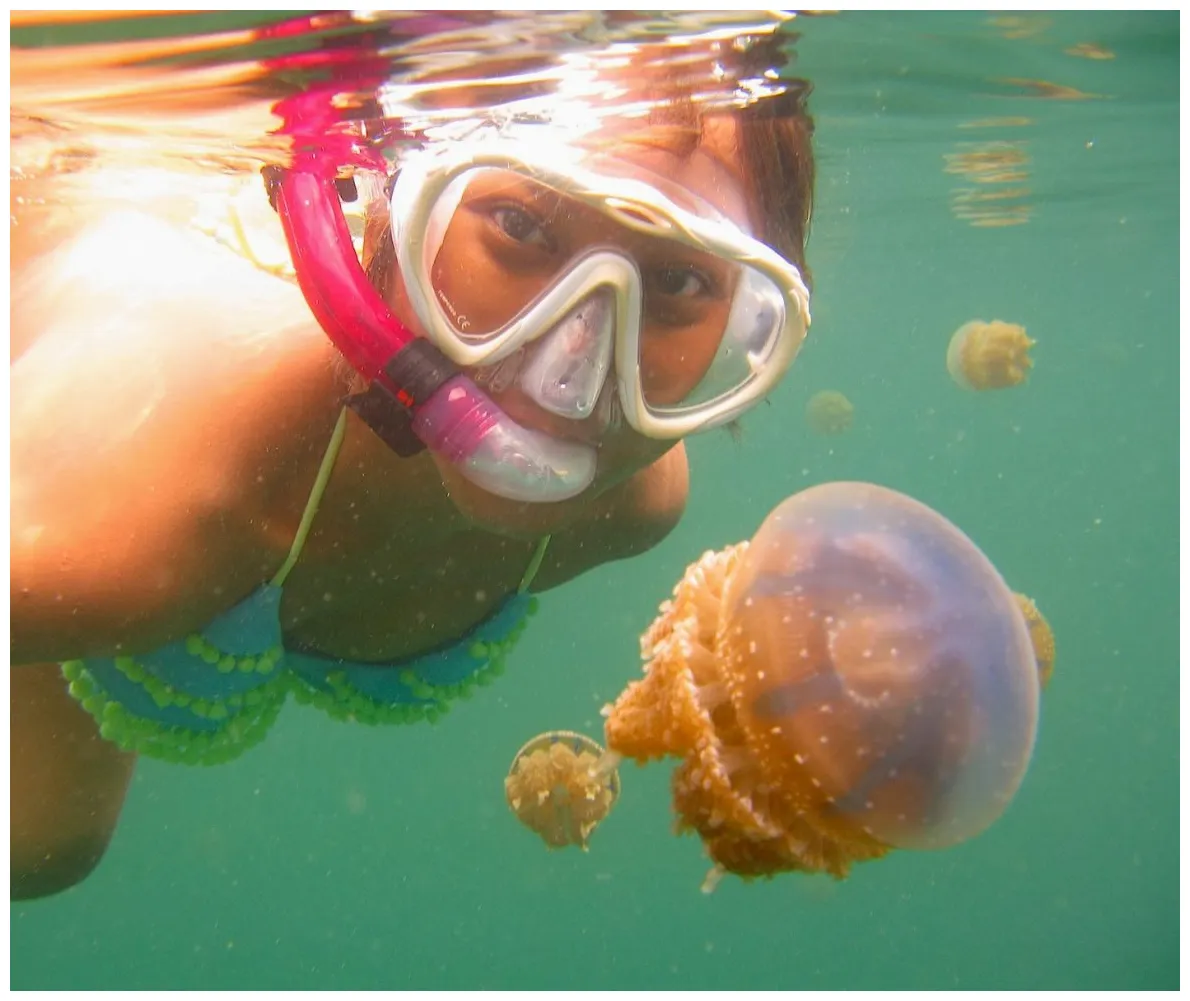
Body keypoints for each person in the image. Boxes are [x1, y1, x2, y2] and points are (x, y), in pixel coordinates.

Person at [10, 21, 816, 900]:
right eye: (517, 225)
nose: (570, 380)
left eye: (677, 283)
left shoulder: (632, 505)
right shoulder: (123, 515)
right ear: (386, 212)